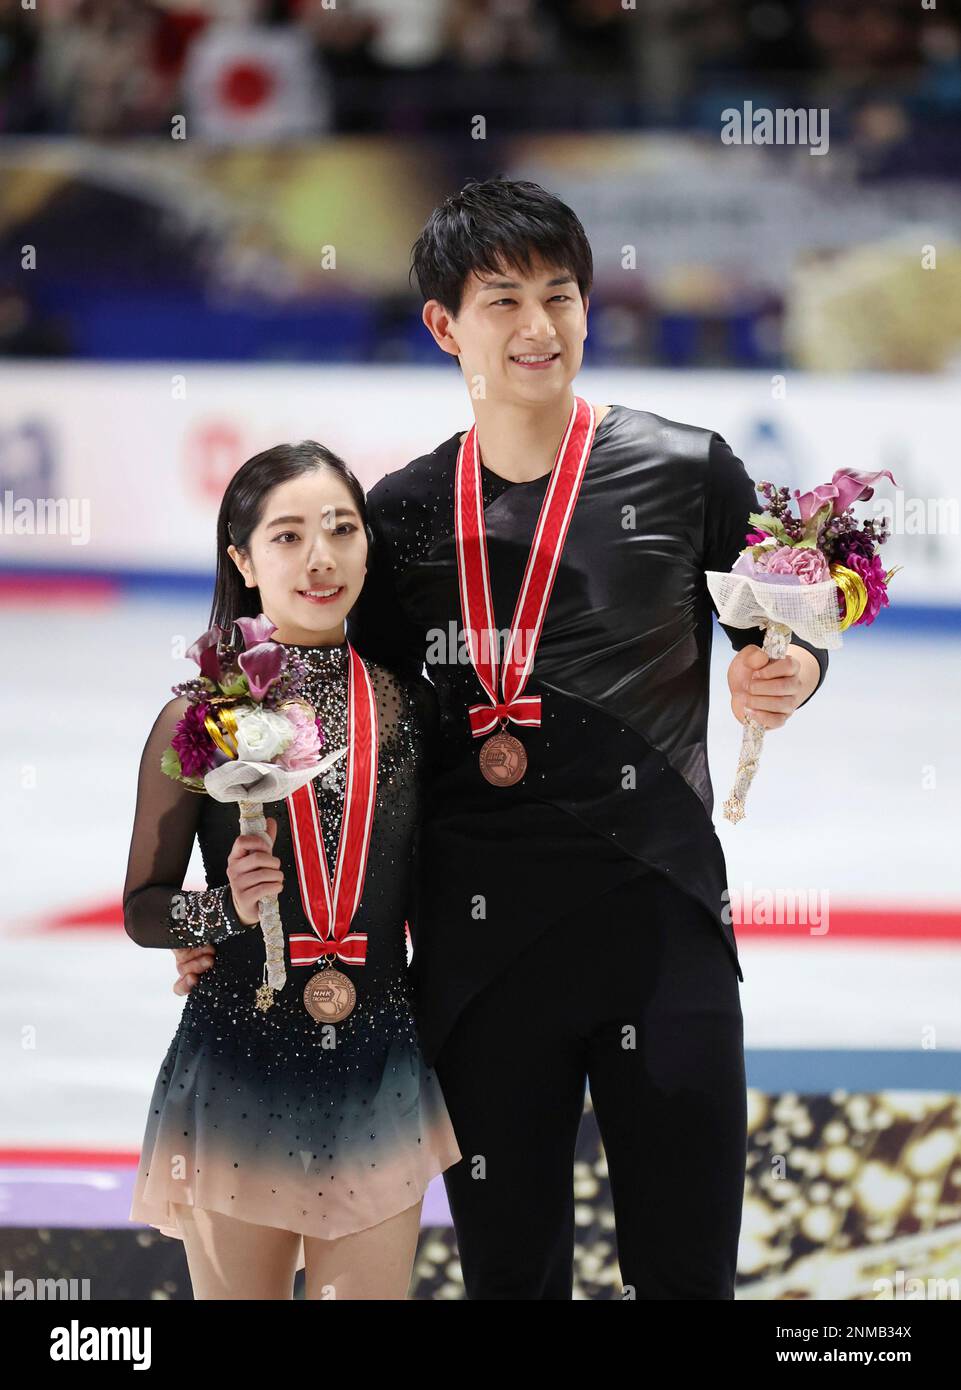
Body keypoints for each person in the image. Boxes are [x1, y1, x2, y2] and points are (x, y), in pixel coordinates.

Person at [177, 178, 829, 1300]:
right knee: (509, 1278)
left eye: (560, 295)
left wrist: (794, 671)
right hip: (478, 963)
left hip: (661, 930)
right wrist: (225, 910)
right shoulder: (397, 518)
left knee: (687, 1272)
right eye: (502, 300)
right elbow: (301, 723)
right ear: (443, 325)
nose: (538, 327)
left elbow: (776, 632)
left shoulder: (687, 468)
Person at [124, 440, 461, 1300]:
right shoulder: (199, 718)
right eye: (287, 537)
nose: (320, 558)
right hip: (240, 1060)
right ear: (241, 559)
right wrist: (222, 914)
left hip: (377, 1062)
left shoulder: (410, 704)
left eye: (342, 530)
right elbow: (144, 907)